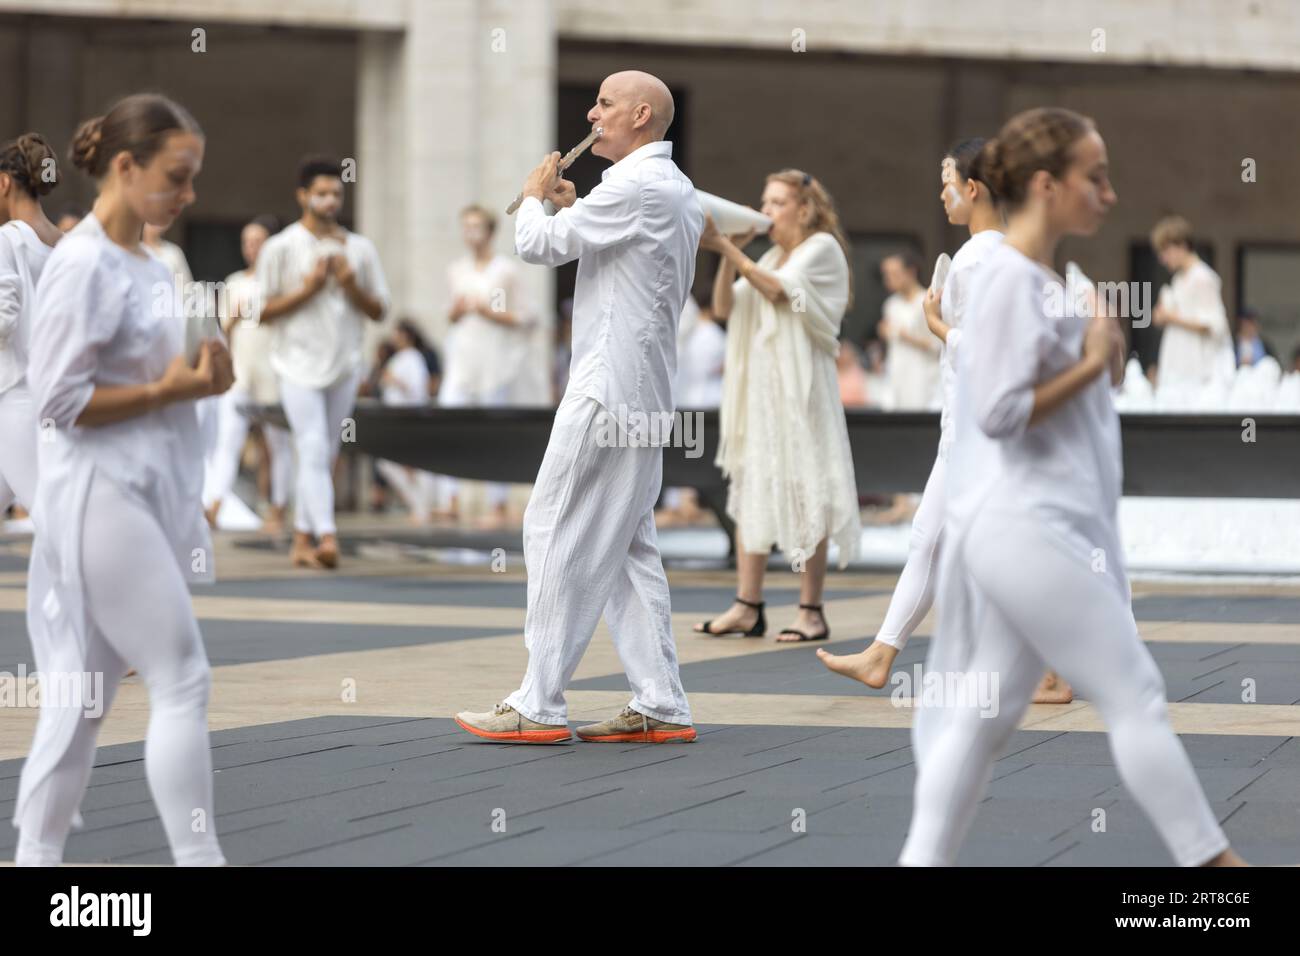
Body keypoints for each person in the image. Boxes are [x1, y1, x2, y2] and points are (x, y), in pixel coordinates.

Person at [898, 107, 1243, 868]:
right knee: (1136, 696)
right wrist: (1092, 359)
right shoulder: (1010, 281)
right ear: (1048, 185)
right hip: (1031, 528)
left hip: (1032, 526)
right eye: (1097, 177)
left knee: (979, 724)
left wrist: (1101, 352)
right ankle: (1218, 869)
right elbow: (999, 410)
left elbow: (1076, 381)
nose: (1111, 195)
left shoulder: (1037, 279)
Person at [15, 93, 232, 867]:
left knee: (81, 699)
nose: (188, 194)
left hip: (145, 488)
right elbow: (59, 403)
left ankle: (36, 858)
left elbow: (167, 378)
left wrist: (208, 378)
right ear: (125, 166)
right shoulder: (80, 264)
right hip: (100, 496)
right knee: (183, 678)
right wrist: (170, 391)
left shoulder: (146, 263)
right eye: (178, 176)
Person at [456, 70, 700, 744]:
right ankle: (661, 702)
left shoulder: (637, 184)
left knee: (551, 525)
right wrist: (569, 204)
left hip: (605, 388)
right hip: (644, 392)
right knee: (626, 546)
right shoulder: (672, 189)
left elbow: (538, 245)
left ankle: (538, 702)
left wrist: (537, 199)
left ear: (642, 115)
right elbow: (607, 244)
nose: (591, 113)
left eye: (605, 104)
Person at [693, 169, 860, 643]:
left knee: (809, 487)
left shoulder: (821, 248)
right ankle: (748, 605)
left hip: (801, 390)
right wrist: (729, 251)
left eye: (776, 203)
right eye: (764, 202)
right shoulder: (769, 253)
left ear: (803, 209)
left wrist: (727, 248)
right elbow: (725, 308)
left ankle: (811, 610)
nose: (766, 211)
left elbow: (780, 291)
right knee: (754, 486)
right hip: (762, 393)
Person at [257, 155, 390, 569]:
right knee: (312, 445)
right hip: (294, 364)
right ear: (303, 196)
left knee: (323, 451)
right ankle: (327, 536)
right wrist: (311, 287)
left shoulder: (360, 248)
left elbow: (379, 311)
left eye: (336, 192)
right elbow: (261, 312)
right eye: (321, 193)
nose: (330, 200)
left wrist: (349, 284)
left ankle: (301, 539)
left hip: (344, 363)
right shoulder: (280, 247)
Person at [440, 204, 534, 527]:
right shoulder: (457, 269)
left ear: (491, 232)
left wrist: (489, 312)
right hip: (463, 359)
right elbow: (451, 317)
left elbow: (525, 317)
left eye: (477, 226)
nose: (470, 233)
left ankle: (498, 504)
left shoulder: (505, 270)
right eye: (466, 226)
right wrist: (457, 311)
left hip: (494, 361)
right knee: (449, 426)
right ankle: (450, 499)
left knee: (494, 431)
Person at [203, 214, 293, 532]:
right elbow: (223, 330)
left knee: (278, 444)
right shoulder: (233, 283)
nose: (252, 248)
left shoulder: (283, 281)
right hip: (241, 373)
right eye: (247, 242)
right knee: (228, 441)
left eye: (258, 242)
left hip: (273, 373)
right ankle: (214, 504)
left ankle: (279, 507)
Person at [0, 133, 64, 519]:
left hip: (17, 399)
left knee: (54, 520)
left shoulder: (7, 239)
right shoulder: (66, 244)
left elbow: (2, 320)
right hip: (49, 395)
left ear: (4, 182)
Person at [1151, 215, 1234, 400]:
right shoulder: (1179, 279)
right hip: (1179, 365)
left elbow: (1214, 324)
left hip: (1197, 369)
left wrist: (1171, 318)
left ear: (1181, 245)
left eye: (1166, 251)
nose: (1163, 259)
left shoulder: (1202, 277)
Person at [375, 319, 438, 524]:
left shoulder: (413, 358)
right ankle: (418, 506)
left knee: (408, 465)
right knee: (390, 464)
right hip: (394, 419)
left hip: (407, 419)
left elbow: (417, 391)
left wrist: (394, 380)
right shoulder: (399, 358)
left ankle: (422, 508)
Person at [879, 249, 940, 410]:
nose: (889, 279)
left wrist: (906, 336)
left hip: (922, 376)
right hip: (897, 372)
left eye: (894, 273)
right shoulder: (891, 304)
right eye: (887, 274)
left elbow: (938, 344)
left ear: (910, 272)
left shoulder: (927, 301)